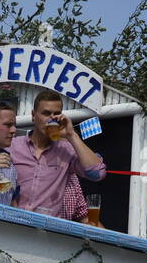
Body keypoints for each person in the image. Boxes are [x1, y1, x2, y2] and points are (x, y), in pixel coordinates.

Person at [10, 91, 106, 221]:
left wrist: (72, 135)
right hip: (13, 223)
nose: (51, 118)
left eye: (56, 114)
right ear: (33, 116)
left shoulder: (65, 149)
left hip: (46, 229)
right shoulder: (14, 145)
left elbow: (97, 173)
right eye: (46, 113)